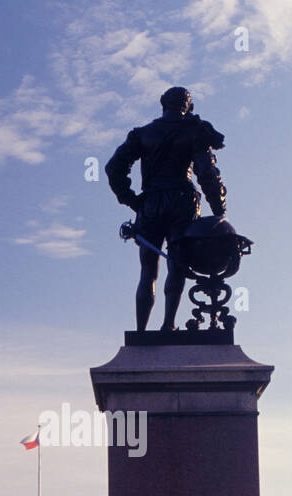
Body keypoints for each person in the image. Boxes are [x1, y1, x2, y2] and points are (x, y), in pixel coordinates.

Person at [106, 86, 227, 331]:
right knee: (177, 263)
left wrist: (133, 200)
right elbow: (206, 173)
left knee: (148, 270)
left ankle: (141, 332)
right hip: (182, 202)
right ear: (188, 106)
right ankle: (168, 325)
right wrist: (218, 209)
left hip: (150, 203)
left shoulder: (143, 134)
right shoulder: (195, 131)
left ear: (163, 104)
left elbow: (113, 168)